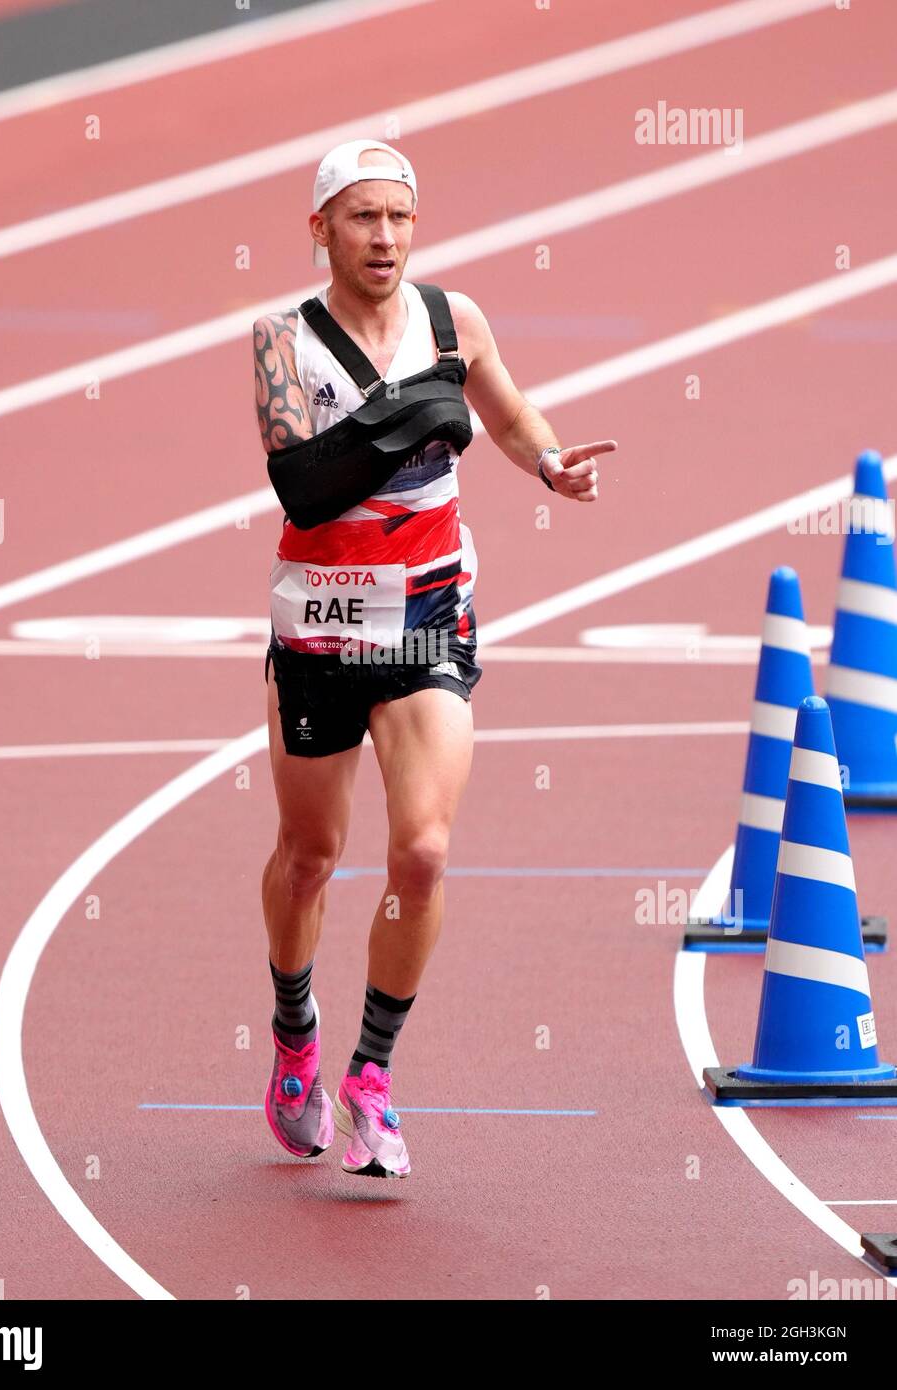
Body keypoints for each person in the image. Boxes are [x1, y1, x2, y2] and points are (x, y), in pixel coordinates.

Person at [253, 139, 616, 1178]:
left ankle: (371, 1072)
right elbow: (304, 484)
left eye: (400, 217)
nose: (385, 237)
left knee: (420, 851)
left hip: (426, 617)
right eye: (363, 217)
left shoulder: (456, 323)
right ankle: (293, 1031)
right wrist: (414, 412)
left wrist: (547, 460)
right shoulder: (282, 340)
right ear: (321, 228)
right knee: (310, 855)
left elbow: (505, 413)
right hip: (322, 623)